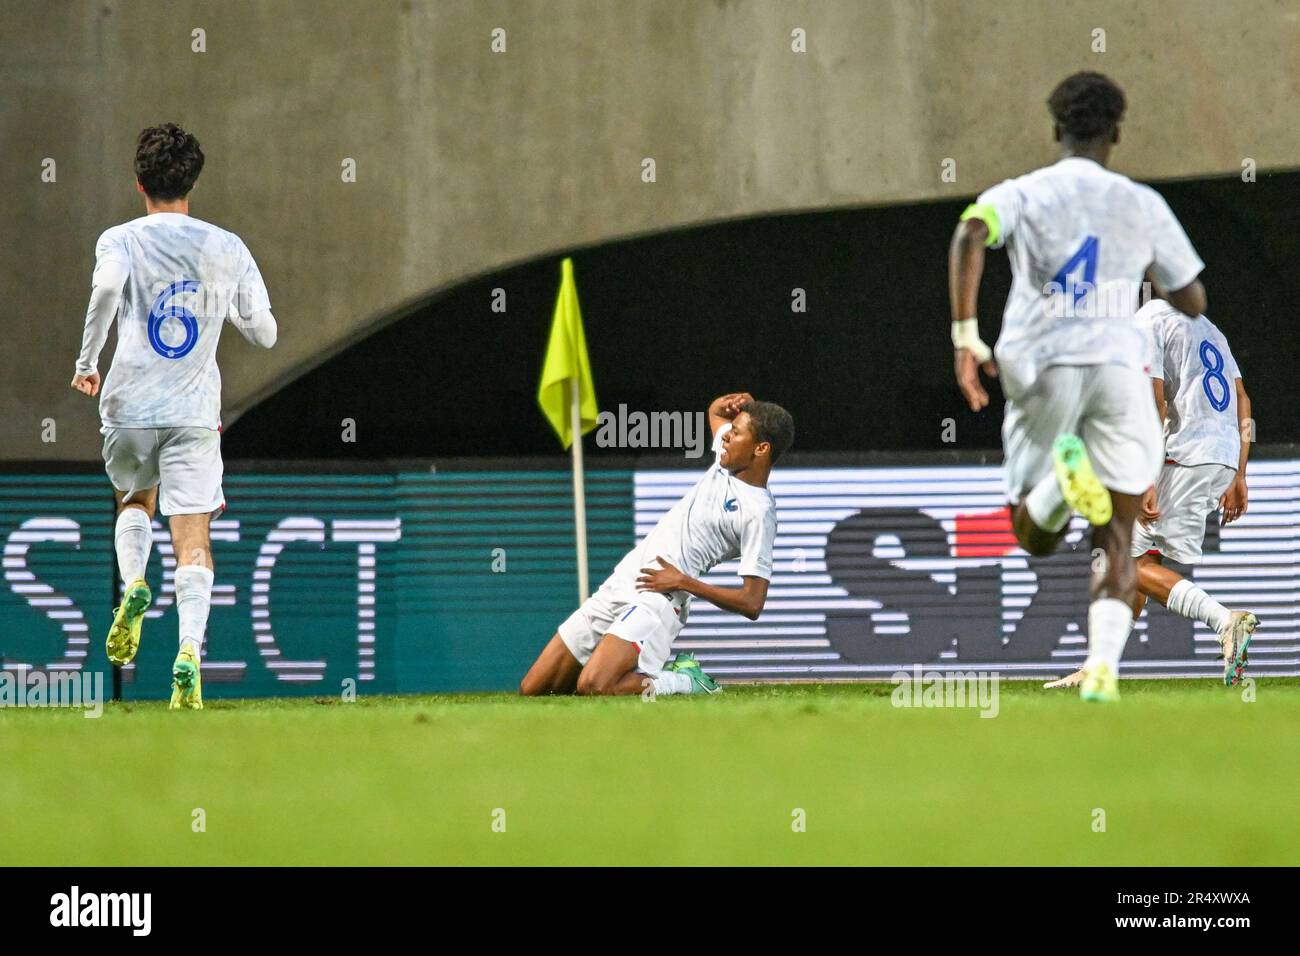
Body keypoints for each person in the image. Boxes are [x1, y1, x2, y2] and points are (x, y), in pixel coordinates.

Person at [948, 72, 1207, 701]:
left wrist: (965, 334)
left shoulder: (1021, 193)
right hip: (1120, 368)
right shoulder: (1141, 202)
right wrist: (1154, 272)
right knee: (1117, 537)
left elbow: (969, 233)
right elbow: (1192, 298)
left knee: (1030, 536)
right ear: (1117, 132)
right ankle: (1102, 671)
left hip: (1042, 364)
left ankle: (1061, 491)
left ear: (1054, 128)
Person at [71, 123, 278, 710]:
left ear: (140, 183)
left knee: (135, 503)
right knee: (193, 538)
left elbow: (107, 290)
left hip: (130, 404)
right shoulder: (225, 246)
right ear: (193, 182)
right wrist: (224, 305)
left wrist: (88, 361)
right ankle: (188, 653)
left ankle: (135, 583)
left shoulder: (120, 239)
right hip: (193, 413)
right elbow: (264, 334)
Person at [520, 394, 793, 698]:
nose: (726, 434)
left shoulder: (759, 513)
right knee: (534, 689)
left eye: (737, 432)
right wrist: (729, 404)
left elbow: (752, 603)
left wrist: (684, 582)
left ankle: (686, 681)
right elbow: (715, 412)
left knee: (595, 685)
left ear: (761, 448)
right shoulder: (725, 460)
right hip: (626, 578)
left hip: (663, 594)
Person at [1045, 298, 1257, 689]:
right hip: (1219, 455)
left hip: (1183, 454)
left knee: (1124, 559)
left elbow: (1153, 401)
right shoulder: (1210, 329)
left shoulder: (1147, 320)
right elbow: (1243, 401)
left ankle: (1225, 621)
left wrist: (1145, 477)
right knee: (1137, 557)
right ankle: (1099, 665)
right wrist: (1239, 471)